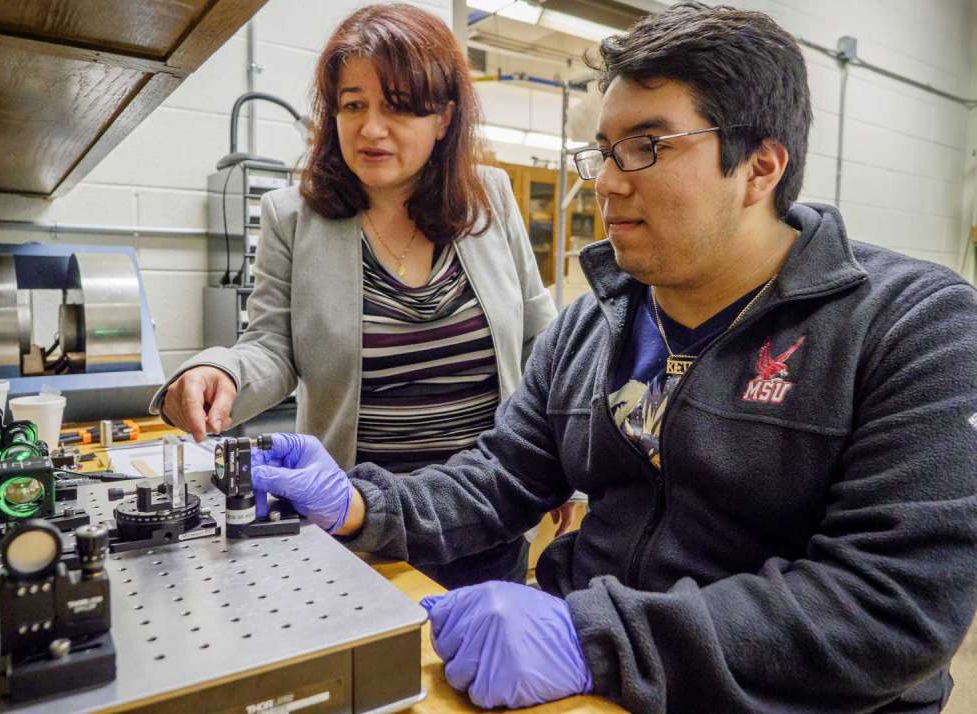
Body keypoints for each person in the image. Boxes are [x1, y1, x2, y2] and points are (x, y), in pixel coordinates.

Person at [246, 2, 977, 711]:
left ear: (760, 167)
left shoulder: (914, 328)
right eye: (604, 151)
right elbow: (502, 476)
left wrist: (590, 639)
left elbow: (892, 604)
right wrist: (363, 503)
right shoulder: (594, 324)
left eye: (647, 148)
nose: (607, 182)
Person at [151, 4, 561, 588]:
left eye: (396, 105)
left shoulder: (489, 198)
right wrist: (220, 372)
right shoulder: (293, 216)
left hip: (485, 514)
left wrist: (557, 469)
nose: (370, 128)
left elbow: (543, 345)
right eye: (352, 104)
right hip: (356, 518)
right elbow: (271, 345)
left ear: (443, 117)